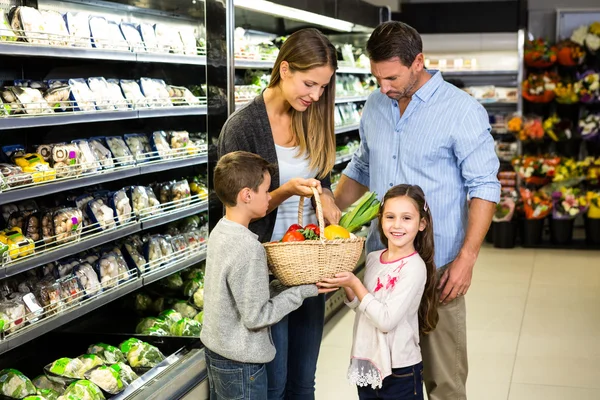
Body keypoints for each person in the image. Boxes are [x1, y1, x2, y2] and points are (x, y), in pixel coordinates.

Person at [334, 21, 501, 400]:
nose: (383, 87)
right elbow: (362, 166)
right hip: (383, 266)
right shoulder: (376, 104)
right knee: (387, 374)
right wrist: (331, 211)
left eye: (391, 77)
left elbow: (484, 186)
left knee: (444, 380)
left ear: (419, 61)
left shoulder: (461, 110)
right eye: (376, 78)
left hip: (438, 267)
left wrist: (467, 259)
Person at [217, 28, 341, 399]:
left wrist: (329, 195)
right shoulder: (242, 127)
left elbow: (322, 177)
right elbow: (235, 208)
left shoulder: (312, 116)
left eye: (322, 87)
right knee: (275, 382)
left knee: (304, 380)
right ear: (284, 69)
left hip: (309, 261)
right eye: (309, 83)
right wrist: (286, 189)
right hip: (265, 272)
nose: (316, 95)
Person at [201, 151, 334, 400]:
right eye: (265, 191)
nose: (269, 197)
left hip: (217, 354)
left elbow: (239, 296)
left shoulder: (220, 232)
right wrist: (304, 290)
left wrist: (279, 285)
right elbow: (257, 316)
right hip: (243, 365)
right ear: (247, 195)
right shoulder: (250, 248)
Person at [319, 184, 438, 400]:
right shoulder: (374, 258)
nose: (397, 225)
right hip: (368, 361)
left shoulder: (414, 267)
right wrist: (345, 281)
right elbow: (363, 308)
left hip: (400, 370)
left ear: (422, 223)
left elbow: (385, 320)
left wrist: (355, 282)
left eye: (406, 218)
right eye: (390, 217)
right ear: (380, 220)